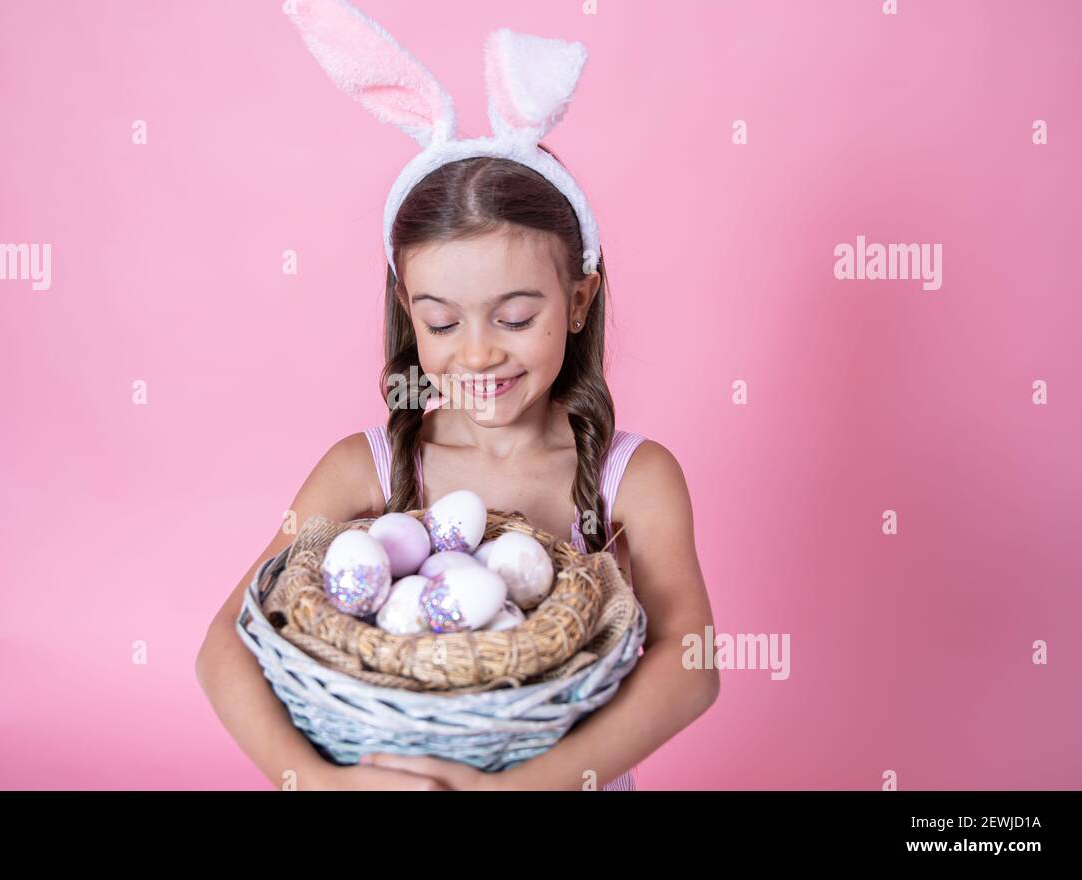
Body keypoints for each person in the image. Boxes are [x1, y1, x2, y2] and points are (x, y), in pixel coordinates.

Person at [195, 0, 719, 791]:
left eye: (516, 315)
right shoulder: (366, 471)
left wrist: (519, 790)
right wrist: (320, 784)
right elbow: (226, 646)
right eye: (442, 322)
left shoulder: (631, 480)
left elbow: (694, 661)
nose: (477, 352)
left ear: (579, 303)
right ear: (409, 314)